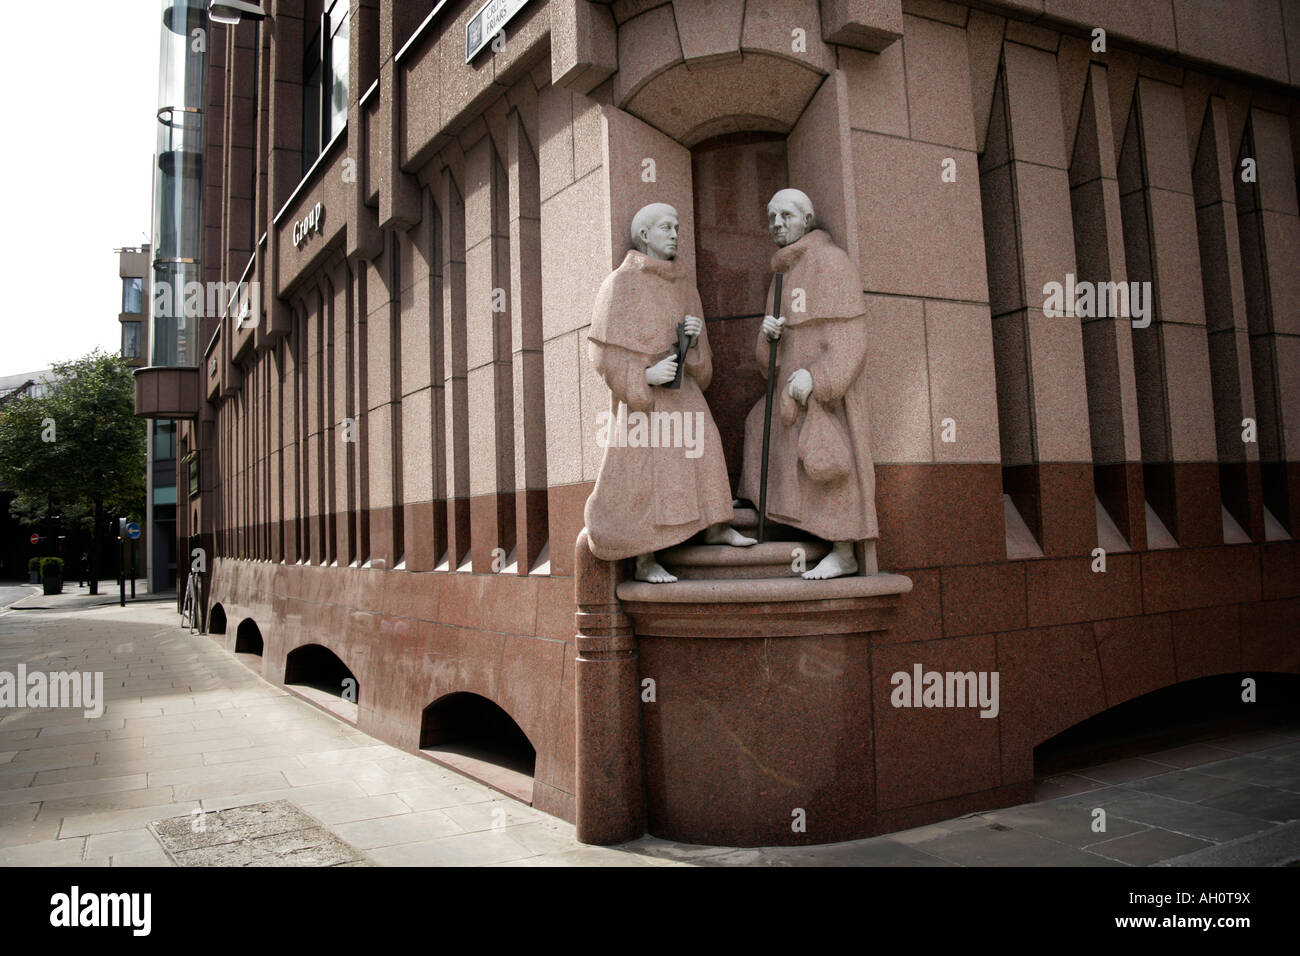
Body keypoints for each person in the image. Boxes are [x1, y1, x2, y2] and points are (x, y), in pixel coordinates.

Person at [585, 203, 755, 582]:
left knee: (706, 445)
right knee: (644, 477)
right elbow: (602, 356)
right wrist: (644, 375)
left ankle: (716, 526)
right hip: (645, 406)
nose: (675, 233)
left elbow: (703, 368)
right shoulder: (619, 285)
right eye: (667, 227)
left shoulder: (684, 287)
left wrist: (692, 342)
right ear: (644, 235)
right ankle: (646, 559)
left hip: (685, 394)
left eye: (677, 227)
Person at [738, 188, 878, 579]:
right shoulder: (780, 277)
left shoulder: (833, 264)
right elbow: (768, 366)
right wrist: (768, 339)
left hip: (819, 392)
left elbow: (852, 340)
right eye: (771, 218)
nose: (777, 224)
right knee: (757, 423)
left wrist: (818, 379)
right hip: (787, 391)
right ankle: (780, 515)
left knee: (832, 454)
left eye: (786, 216)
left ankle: (844, 547)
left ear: (807, 220)